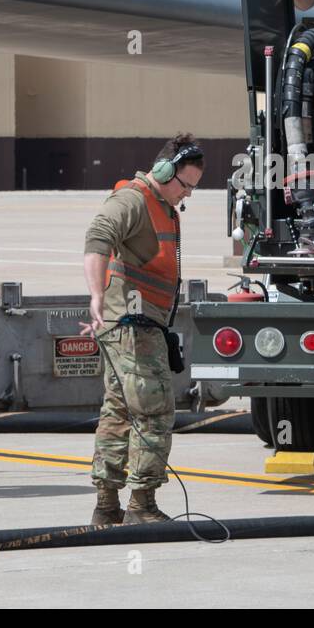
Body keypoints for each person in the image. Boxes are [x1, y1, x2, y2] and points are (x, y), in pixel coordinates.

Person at [81, 134, 203, 525]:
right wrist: (96, 297)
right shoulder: (132, 201)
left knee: (118, 412)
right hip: (131, 328)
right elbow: (97, 240)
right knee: (153, 413)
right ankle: (142, 505)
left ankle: (106, 505)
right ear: (164, 171)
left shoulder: (160, 205)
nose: (186, 195)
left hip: (138, 325)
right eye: (184, 185)